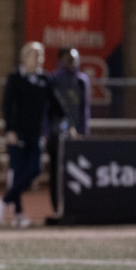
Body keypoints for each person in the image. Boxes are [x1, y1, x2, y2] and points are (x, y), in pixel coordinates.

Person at [0, 41, 66, 228]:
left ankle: (3, 201)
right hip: (17, 133)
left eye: (41, 56)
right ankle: (18, 214)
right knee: (18, 172)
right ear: (25, 57)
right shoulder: (15, 78)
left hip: (35, 134)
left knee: (35, 169)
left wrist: (62, 124)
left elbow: (56, 106)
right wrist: (9, 130)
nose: (39, 60)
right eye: (36, 56)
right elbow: (7, 105)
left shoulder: (45, 79)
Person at [48, 47, 91, 213]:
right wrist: (51, 131)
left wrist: (83, 131)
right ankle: (57, 207)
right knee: (56, 172)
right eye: (68, 59)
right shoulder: (54, 79)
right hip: (56, 134)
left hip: (77, 134)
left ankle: (77, 206)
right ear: (60, 60)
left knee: (78, 170)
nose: (72, 62)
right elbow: (51, 110)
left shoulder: (82, 81)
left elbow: (84, 109)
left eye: (74, 59)